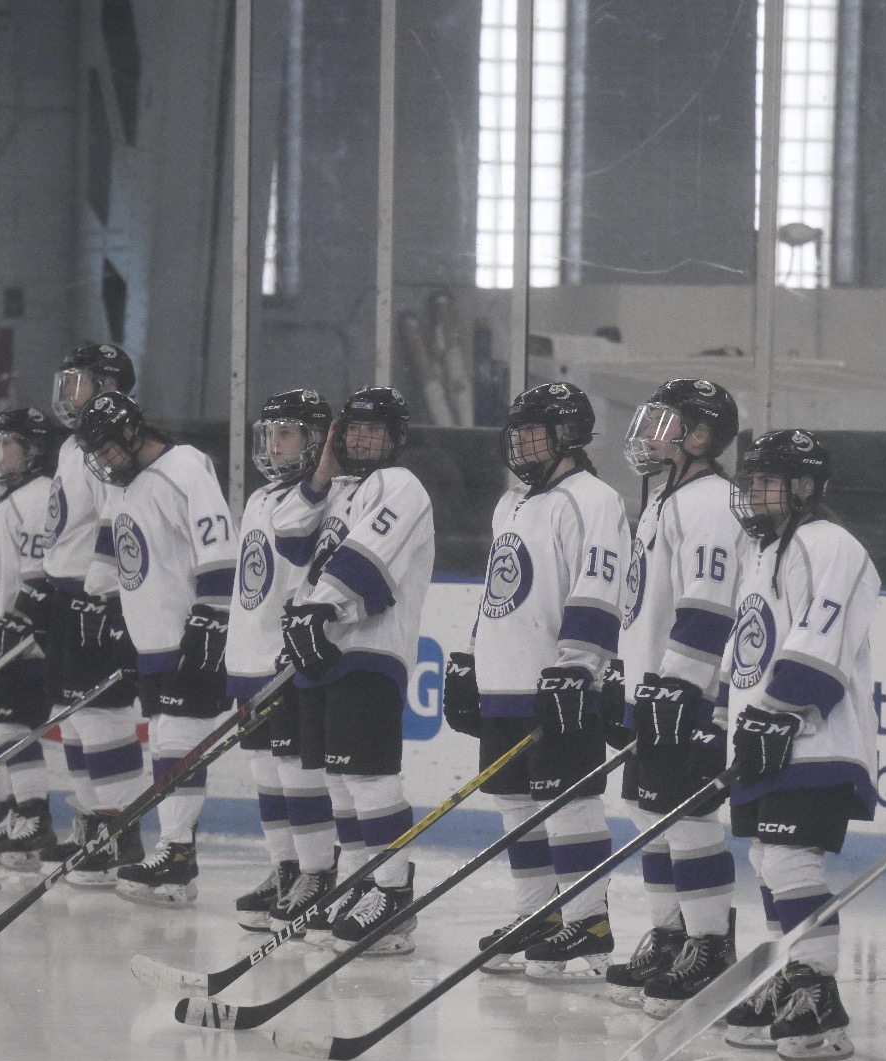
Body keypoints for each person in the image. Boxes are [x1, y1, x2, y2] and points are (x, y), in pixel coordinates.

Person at [441, 382, 629, 975]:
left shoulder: (594, 498)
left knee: (568, 802)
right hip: (506, 680)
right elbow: (497, 590)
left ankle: (588, 921)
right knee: (516, 803)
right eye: (518, 432)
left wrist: (577, 667)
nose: (522, 443)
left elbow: (600, 585)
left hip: (558, 683)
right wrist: (471, 659)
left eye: (535, 432)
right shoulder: (512, 503)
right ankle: (538, 915)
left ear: (568, 435)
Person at [704, 430, 879, 1059]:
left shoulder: (832, 544)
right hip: (765, 735)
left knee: (788, 860)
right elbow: (747, 645)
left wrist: (782, 711)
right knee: (767, 860)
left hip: (816, 736)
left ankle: (818, 996)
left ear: (804, 486)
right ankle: (790, 973)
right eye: (750, 481)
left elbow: (823, 632)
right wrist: (720, 717)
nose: (753, 493)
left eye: (767, 482)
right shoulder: (763, 551)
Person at [57, 393, 236, 905]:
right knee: (163, 744)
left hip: (190, 634)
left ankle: (177, 856)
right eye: (97, 454)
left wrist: (212, 615)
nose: (104, 461)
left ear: (133, 433)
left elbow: (219, 546)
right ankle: (175, 856)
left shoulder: (185, 469)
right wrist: (103, 599)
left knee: (179, 742)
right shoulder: (124, 482)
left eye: (109, 448)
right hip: (151, 641)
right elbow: (117, 547)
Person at [275, 387, 435, 951]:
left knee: (368, 777)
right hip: (329, 649)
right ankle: (360, 882)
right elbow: (291, 541)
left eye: (374, 430)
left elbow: (367, 561)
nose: (362, 440)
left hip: (372, 649)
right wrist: (320, 476)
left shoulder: (401, 484)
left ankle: (393, 894)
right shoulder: (341, 491)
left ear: (395, 437)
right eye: (353, 429)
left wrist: (317, 609)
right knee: (339, 780)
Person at [603, 378, 744, 1005]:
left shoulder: (711, 501)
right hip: (654, 692)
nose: (650, 434)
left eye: (666, 424)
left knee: (686, 819)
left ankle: (709, 944)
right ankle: (670, 934)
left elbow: (708, 606)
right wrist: (625, 680)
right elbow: (643, 606)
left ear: (701, 437)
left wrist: (680, 688)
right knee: (648, 814)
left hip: (685, 697)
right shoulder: (666, 497)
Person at [19, 343, 148, 883]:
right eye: (66, 382)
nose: (68, 394)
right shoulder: (72, 446)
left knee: (103, 719)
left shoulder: (112, 443)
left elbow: (117, 518)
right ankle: (92, 824)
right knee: (70, 719)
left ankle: (122, 832)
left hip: (95, 600)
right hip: (66, 597)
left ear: (109, 387)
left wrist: (104, 592)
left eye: (80, 383)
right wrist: (43, 587)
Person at [227, 390, 341, 932]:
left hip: (287, 658)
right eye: (269, 433)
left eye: (287, 433)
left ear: (316, 440)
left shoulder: (325, 497)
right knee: (265, 773)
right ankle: (285, 868)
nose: (274, 444)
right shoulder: (259, 498)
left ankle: (318, 872)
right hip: (249, 660)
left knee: (297, 771)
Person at [0, 407, 68, 865]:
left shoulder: (40, 496)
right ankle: (18, 812)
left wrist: (20, 620)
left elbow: (40, 573)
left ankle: (35, 817)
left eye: (7, 444)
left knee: (14, 727)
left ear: (33, 452)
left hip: (24, 641)